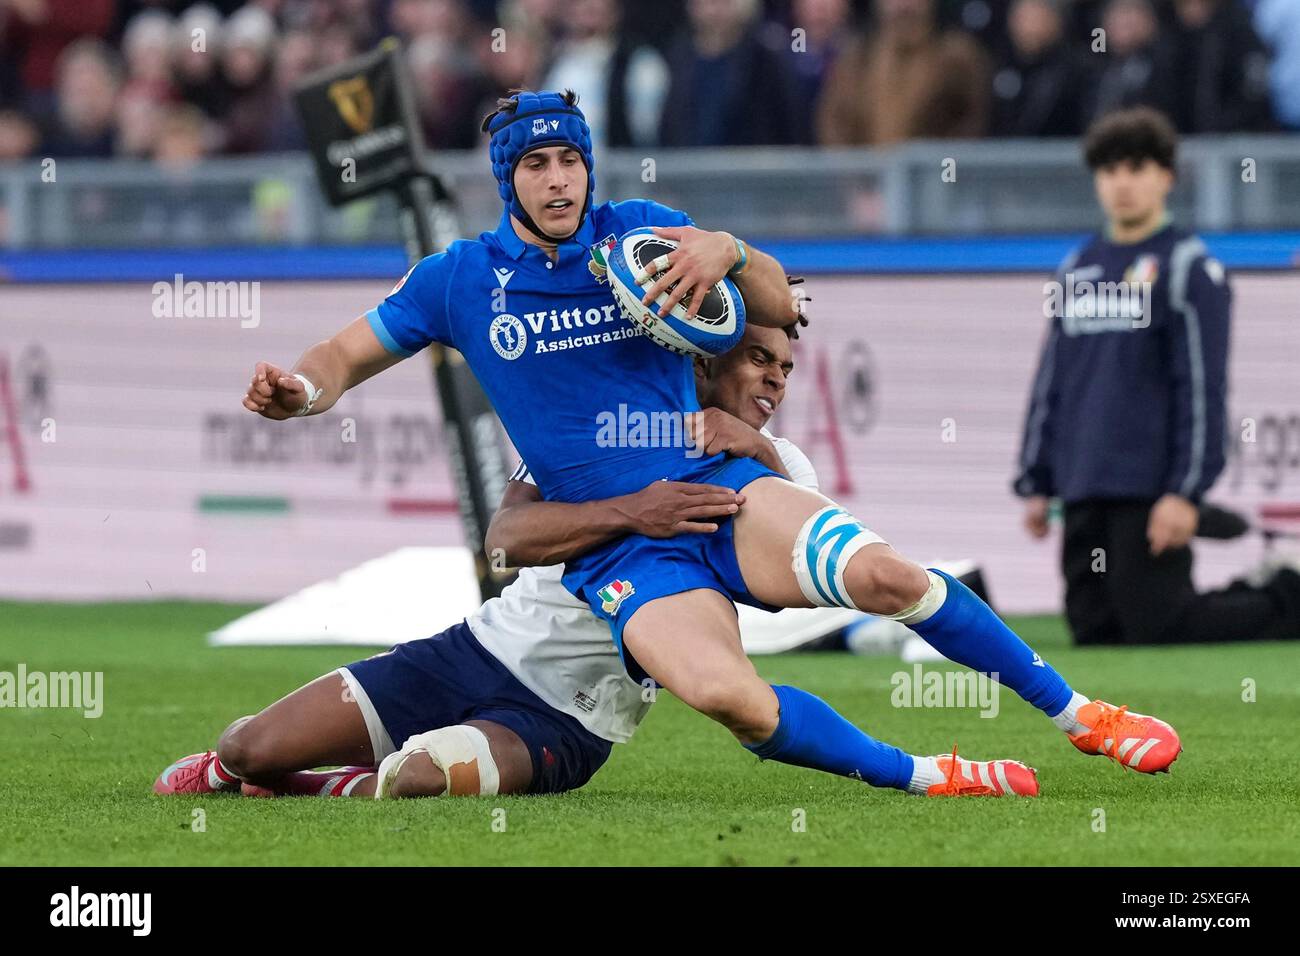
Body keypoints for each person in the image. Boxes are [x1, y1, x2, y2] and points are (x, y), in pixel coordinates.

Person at [224, 89, 1182, 798]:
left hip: (713, 488)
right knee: (732, 700)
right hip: (627, 556)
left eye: (569, 160)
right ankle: (934, 775)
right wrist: (300, 389)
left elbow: (777, 301)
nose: (557, 178)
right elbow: (347, 354)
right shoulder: (460, 281)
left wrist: (726, 247)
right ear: (506, 180)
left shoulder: (640, 234)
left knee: (890, 577)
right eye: (534, 164)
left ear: (589, 167)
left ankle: (1079, 713)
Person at [158, 322, 1013, 799]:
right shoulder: (605, 433)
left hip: (569, 721)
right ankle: (247, 774)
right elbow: (505, 542)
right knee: (250, 742)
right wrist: (634, 510)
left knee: (414, 781)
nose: (777, 378)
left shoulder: (785, 475)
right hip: (471, 651)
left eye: (788, 365)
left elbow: (803, 566)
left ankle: (318, 792)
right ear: (705, 356)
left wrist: (746, 444)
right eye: (759, 357)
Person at [1016, 106, 1300, 647]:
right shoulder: (1077, 268)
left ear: (1166, 177)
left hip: (1148, 487)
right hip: (1082, 482)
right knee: (1095, 631)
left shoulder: (1189, 269)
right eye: (1109, 170)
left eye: (1137, 168)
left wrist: (1185, 493)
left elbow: (1202, 388)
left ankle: (1286, 591)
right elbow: (1052, 380)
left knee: (1161, 626)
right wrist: (1038, 480)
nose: (1122, 183)